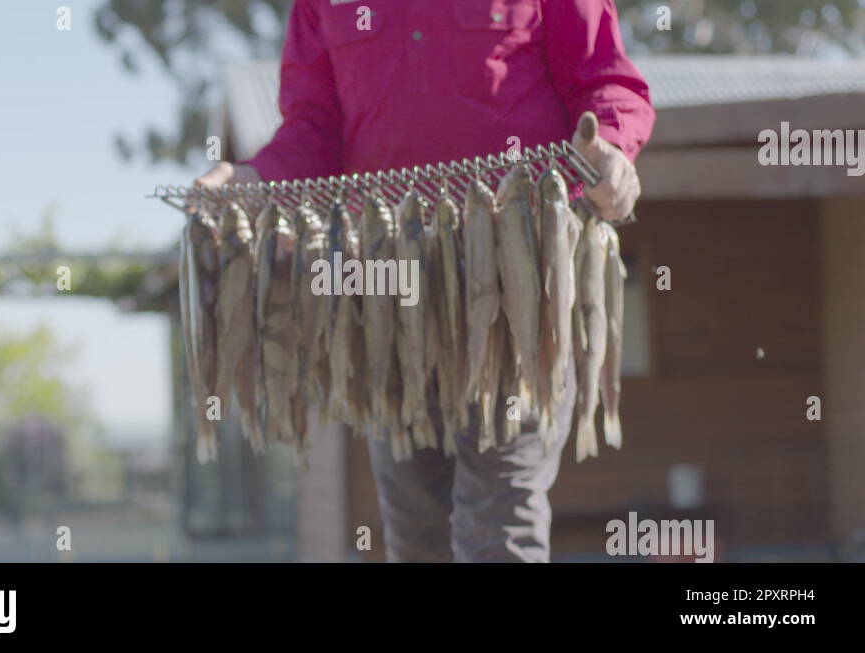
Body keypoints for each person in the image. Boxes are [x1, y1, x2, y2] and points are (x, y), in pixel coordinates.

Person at [196, 0, 655, 562]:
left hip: (522, 284)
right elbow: (314, 129)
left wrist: (610, 145)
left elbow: (605, 81)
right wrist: (251, 177)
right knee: (415, 527)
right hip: (388, 284)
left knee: (500, 528)